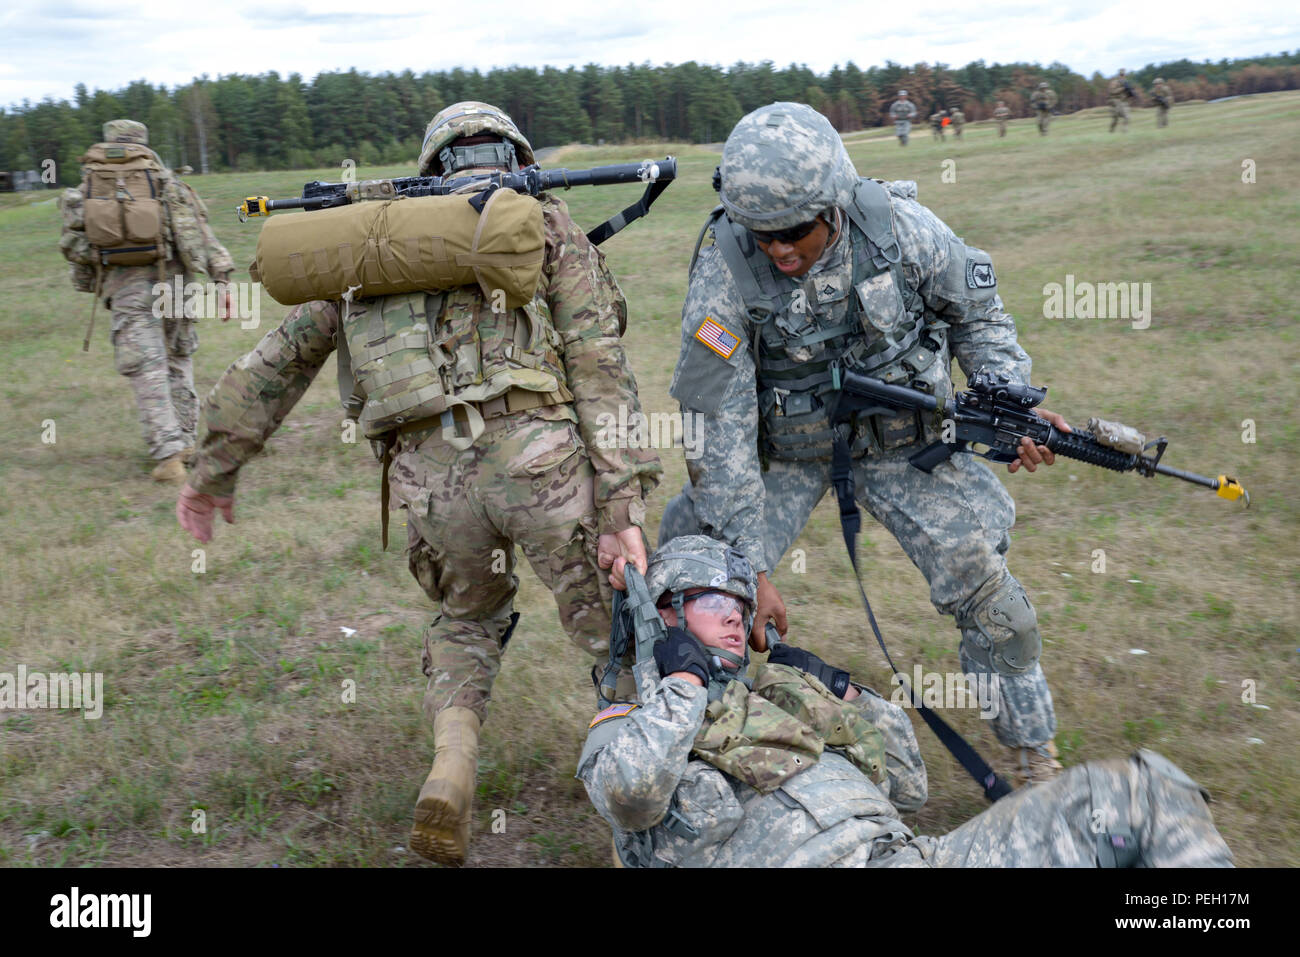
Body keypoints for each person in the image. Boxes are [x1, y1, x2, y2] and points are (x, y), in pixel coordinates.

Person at [174, 101, 661, 866]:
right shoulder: (542, 221)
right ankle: (649, 796)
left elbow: (275, 363)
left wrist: (212, 468)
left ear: (430, 165)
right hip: (540, 460)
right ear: (515, 156)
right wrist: (623, 503)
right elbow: (599, 360)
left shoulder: (364, 247)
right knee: (619, 632)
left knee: (467, 621)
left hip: (432, 481)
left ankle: (455, 756)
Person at [659, 102, 1072, 787]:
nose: (780, 251)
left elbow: (980, 317)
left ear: (835, 207)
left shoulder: (901, 229)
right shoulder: (724, 262)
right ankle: (668, 747)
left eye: (795, 232)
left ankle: (1030, 755)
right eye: (762, 235)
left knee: (994, 600)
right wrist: (746, 561)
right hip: (785, 453)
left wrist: (1005, 399)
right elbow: (715, 422)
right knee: (692, 583)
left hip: (903, 445)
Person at [580, 536, 1235, 868]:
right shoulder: (631, 727)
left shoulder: (775, 702)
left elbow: (908, 784)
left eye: (740, 607)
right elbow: (632, 795)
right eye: (716, 604)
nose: (734, 621)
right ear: (666, 616)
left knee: (1143, 790)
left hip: (915, 857)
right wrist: (683, 687)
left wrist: (841, 690)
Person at [58, 119, 235, 481]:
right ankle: (184, 442)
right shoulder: (164, 180)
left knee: (147, 368)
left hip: (125, 286)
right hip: (172, 280)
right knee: (177, 359)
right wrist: (222, 279)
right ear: (143, 141)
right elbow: (199, 231)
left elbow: (74, 244)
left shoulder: (92, 184)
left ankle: (168, 453)